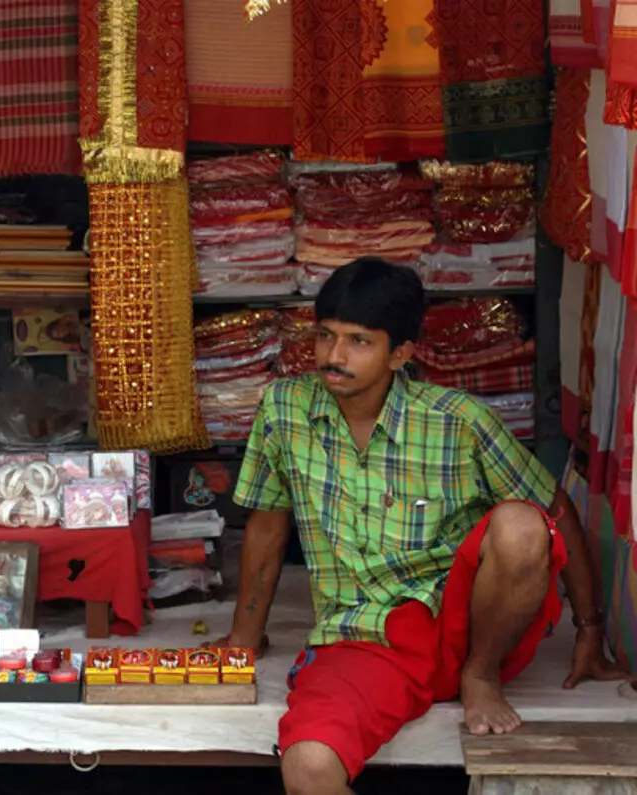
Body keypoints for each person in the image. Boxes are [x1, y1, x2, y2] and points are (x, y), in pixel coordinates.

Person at [210, 258, 632, 795]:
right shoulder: (284, 410)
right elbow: (267, 528)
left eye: (359, 341)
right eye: (325, 336)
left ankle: (480, 677)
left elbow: (556, 510)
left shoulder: (458, 420)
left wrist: (591, 630)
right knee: (309, 766)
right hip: (362, 637)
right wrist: (245, 639)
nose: (334, 357)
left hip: (466, 627)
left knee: (522, 525)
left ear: (402, 354)